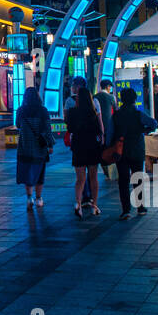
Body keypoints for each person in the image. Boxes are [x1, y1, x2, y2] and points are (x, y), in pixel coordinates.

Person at [108, 87, 157, 220]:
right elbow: (154, 123)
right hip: (136, 150)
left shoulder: (116, 116)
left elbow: (110, 133)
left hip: (121, 151)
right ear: (134, 99)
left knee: (123, 181)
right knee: (138, 179)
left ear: (121, 100)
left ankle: (126, 210)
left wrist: (108, 147)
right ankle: (140, 207)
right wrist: (144, 129)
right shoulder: (139, 114)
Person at [66, 83, 102, 218]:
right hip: (92, 147)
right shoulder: (93, 112)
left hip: (78, 147)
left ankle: (78, 204)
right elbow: (98, 129)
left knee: (80, 179)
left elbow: (70, 128)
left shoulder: (72, 112)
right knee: (93, 177)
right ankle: (95, 205)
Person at [15, 88, 53, 209]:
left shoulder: (21, 111)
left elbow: (18, 125)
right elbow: (48, 129)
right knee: (39, 173)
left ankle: (29, 198)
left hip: (24, 146)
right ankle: (38, 198)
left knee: (27, 172)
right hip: (39, 148)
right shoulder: (43, 111)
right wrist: (50, 145)